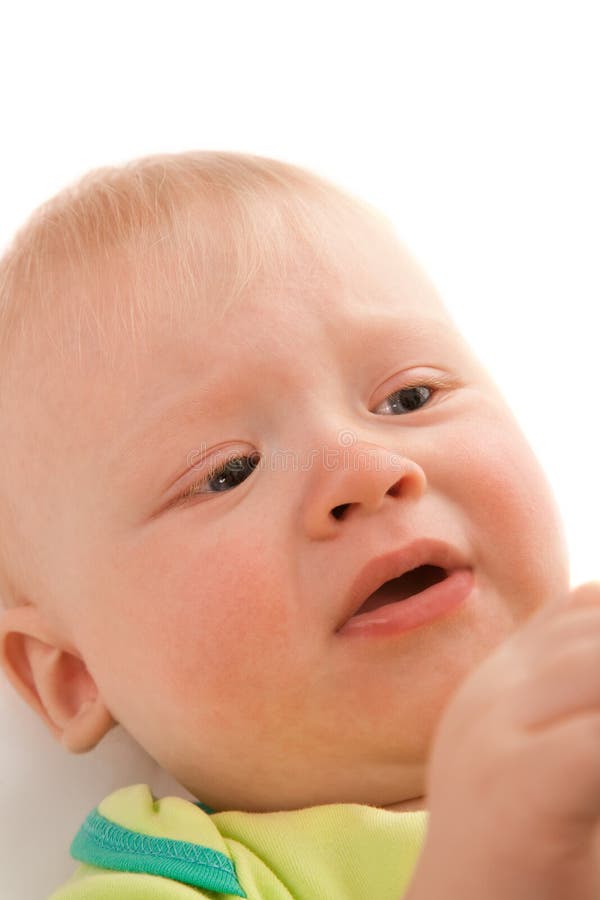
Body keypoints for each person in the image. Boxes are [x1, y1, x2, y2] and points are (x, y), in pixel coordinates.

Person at [0, 151, 598, 899]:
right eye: (227, 472)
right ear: (74, 675)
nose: (366, 468)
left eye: (409, 398)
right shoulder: (177, 882)